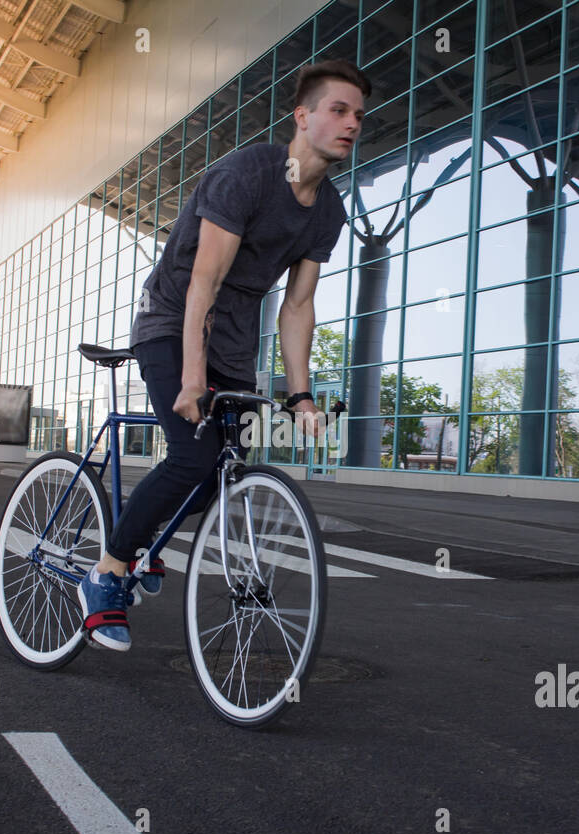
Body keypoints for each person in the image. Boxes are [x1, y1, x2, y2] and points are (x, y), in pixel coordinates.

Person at [78, 59, 372, 651]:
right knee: (190, 460)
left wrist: (302, 395)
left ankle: (142, 543)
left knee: (219, 474)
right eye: (338, 110)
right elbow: (202, 284)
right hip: (172, 323)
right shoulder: (247, 174)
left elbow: (297, 308)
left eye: (359, 115)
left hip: (235, 343)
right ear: (303, 116)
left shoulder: (329, 210)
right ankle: (107, 573)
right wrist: (191, 376)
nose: (351, 124)